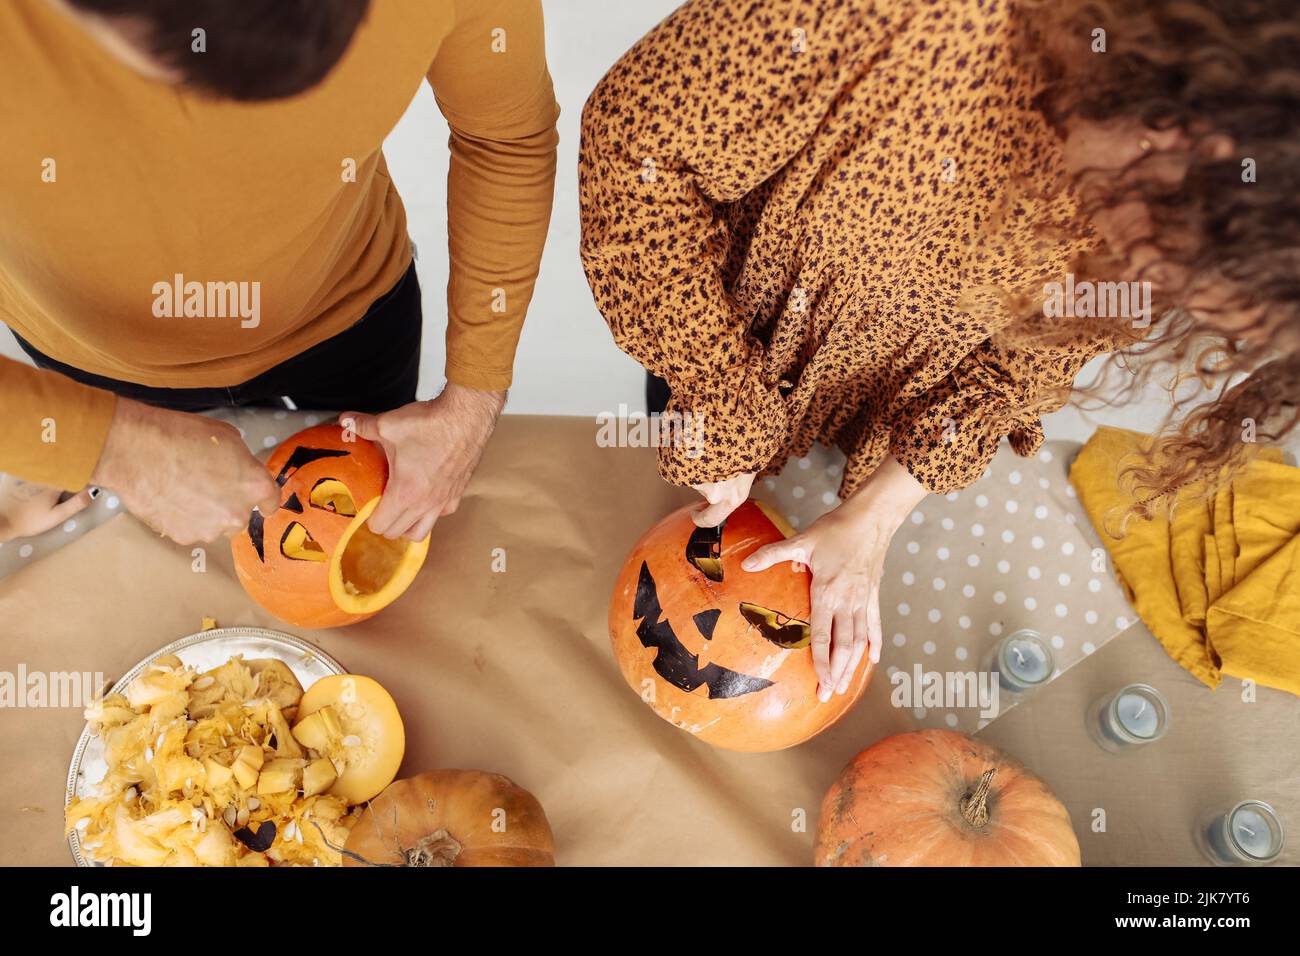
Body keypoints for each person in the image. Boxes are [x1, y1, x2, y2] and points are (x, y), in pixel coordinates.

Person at [579, 0, 1299, 699]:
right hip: (722, 336)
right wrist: (717, 389)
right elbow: (636, 148)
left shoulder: (1178, 235)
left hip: (889, 423)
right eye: (1157, 256)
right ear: (1189, 143)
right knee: (699, 535)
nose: (1131, 274)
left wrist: (875, 518)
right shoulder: (920, 17)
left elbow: (1021, 369)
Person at [0, 0, 558, 546]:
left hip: (349, 318)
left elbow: (505, 139)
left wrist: (473, 398)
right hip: (86, 359)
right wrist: (105, 446)